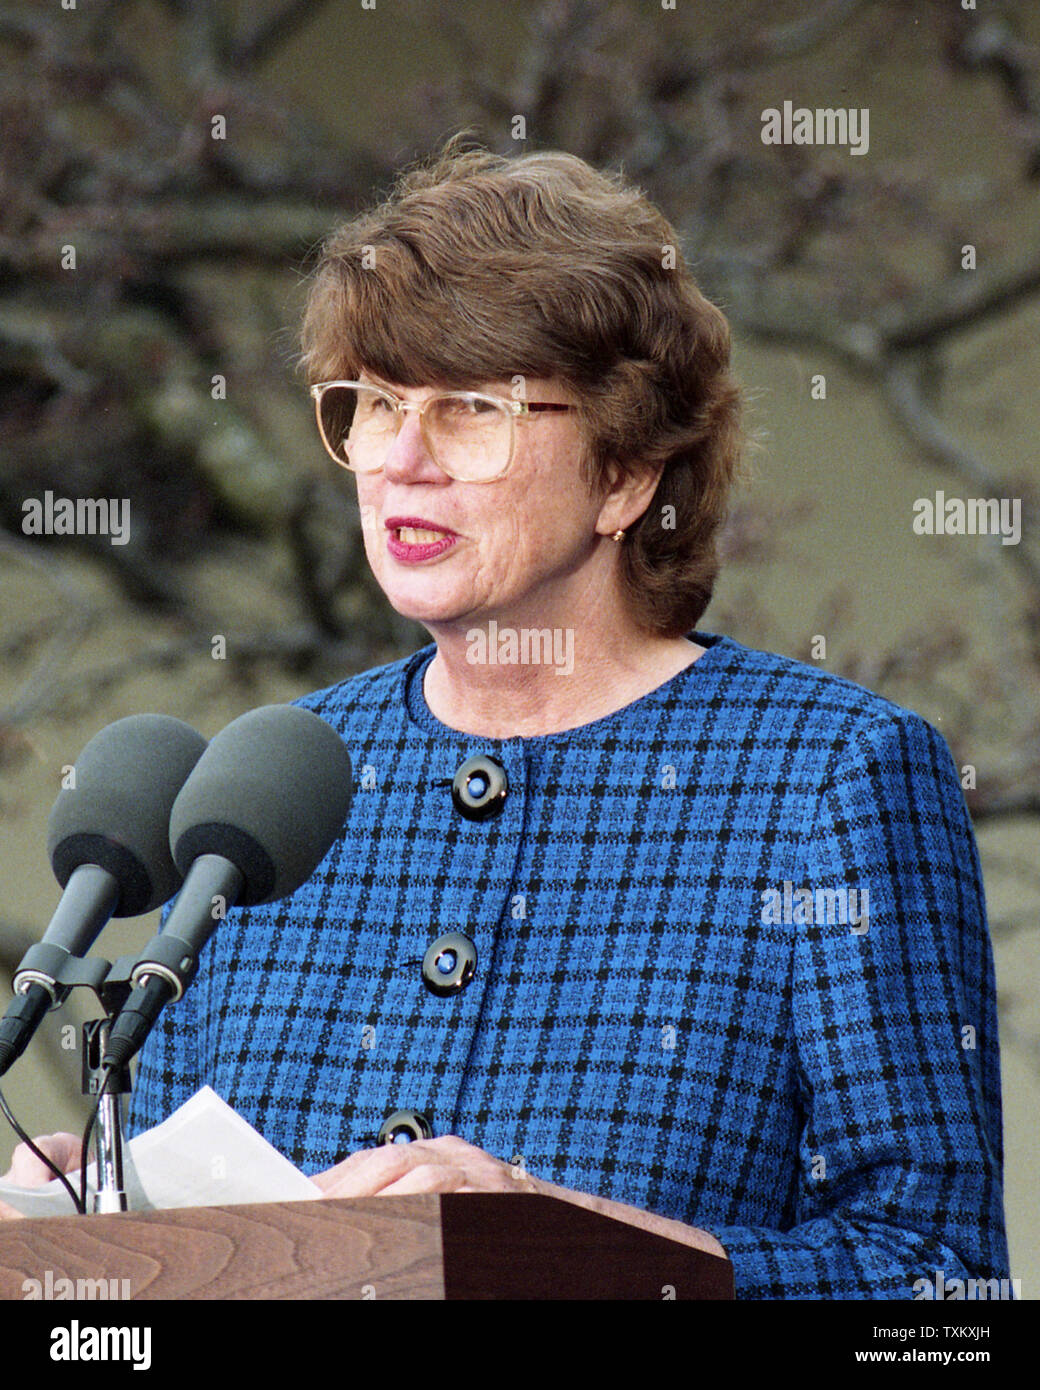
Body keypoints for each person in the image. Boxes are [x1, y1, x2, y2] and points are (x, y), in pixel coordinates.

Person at [4, 139, 1010, 1300]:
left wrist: (569, 1243)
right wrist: (102, 1227)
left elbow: (939, 1288)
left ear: (626, 473)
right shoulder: (274, 781)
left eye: (470, 409)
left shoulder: (828, 777)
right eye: (375, 406)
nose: (403, 462)